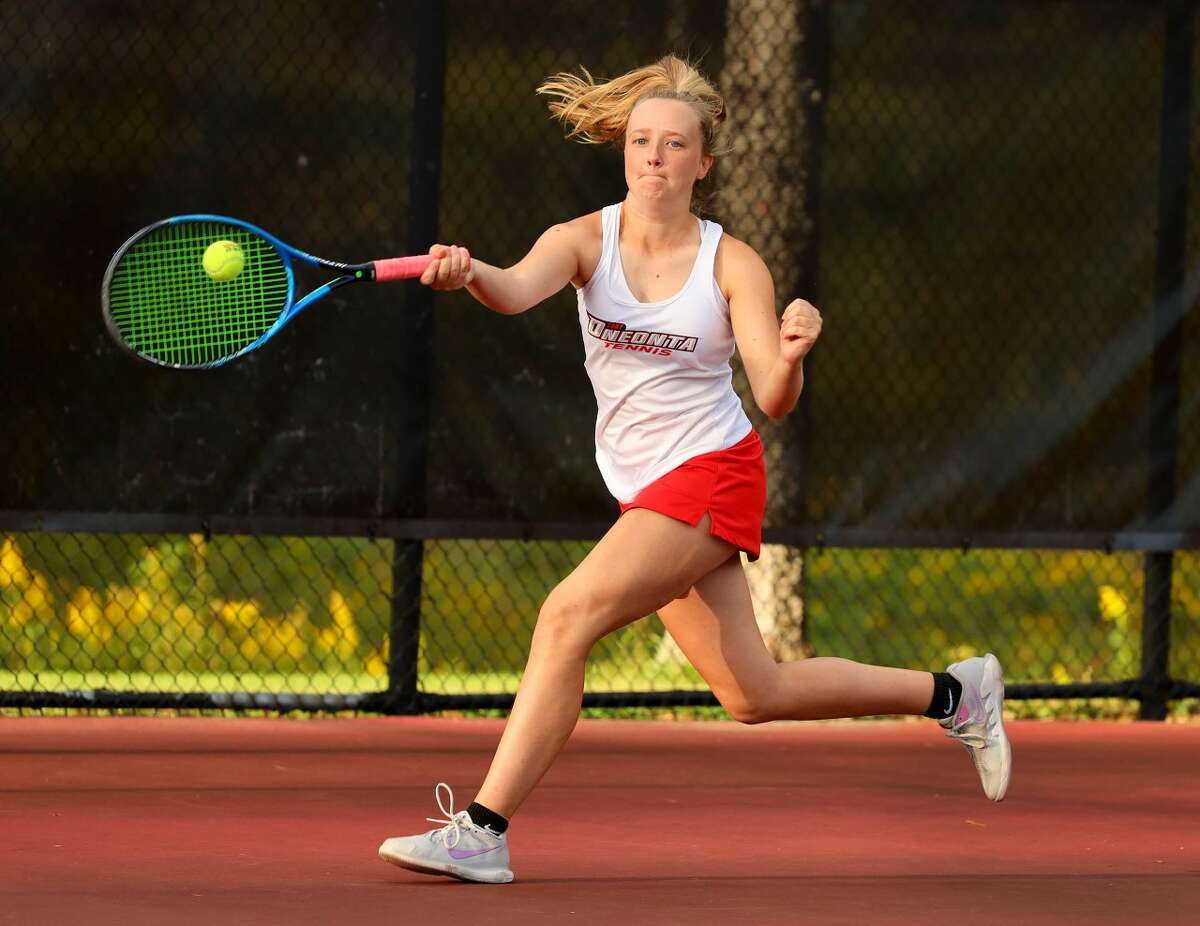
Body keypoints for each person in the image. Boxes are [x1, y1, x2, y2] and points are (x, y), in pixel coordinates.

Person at [378, 55, 1011, 885]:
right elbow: (512, 288)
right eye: (641, 141)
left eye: (673, 145)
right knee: (753, 694)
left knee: (566, 615)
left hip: (712, 471)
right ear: (625, 152)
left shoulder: (732, 264)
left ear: (701, 163)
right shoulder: (581, 241)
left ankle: (482, 828)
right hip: (647, 490)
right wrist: (469, 273)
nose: (653, 157)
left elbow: (774, 398)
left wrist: (791, 354)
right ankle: (955, 695)